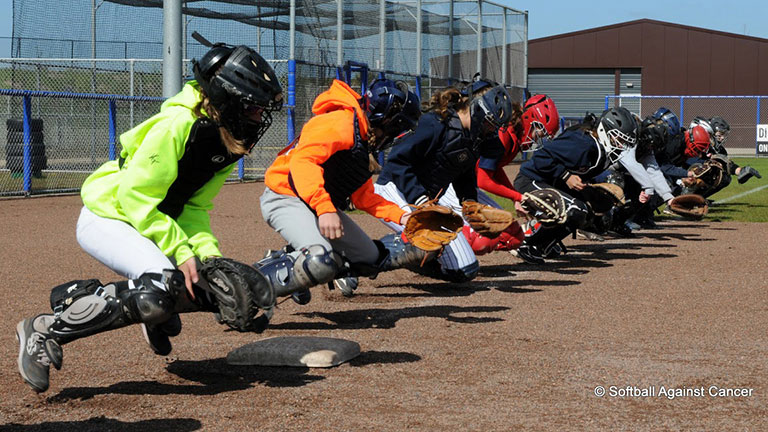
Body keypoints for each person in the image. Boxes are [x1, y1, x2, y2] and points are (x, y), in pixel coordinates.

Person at [15, 43, 284, 393]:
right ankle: (46, 327)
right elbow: (134, 197)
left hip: (150, 223)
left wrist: (208, 256)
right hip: (110, 216)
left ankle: (148, 305)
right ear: (224, 97)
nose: (257, 117)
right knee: (160, 288)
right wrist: (182, 253)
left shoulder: (226, 139)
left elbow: (194, 209)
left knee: (209, 288)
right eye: (251, 107)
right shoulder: (177, 125)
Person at [258, 77, 423, 301]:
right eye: (398, 126)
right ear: (386, 120)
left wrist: (404, 217)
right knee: (321, 261)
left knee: (369, 258)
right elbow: (303, 163)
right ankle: (253, 282)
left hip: (314, 204)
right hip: (285, 195)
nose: (397, 134)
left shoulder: (363, 138)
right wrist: (325, 208)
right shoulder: (341, 122)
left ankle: (292, 257)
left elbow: (363, 196)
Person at [374, 78, 514, 282]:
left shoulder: (473, 136)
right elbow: (397, 162)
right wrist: (421, 201)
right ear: (476, 110)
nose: (491, 130)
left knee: (465, 270)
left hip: (422, 198)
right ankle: (355, 261)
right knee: (426, 238)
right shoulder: (435, 123)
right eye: (490, 123)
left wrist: (468, 201)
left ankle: (415, 256)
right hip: (394, 190)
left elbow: (464, 172)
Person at [512, 106, 638, 264]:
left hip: (549, 182)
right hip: (530, 181)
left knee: (594, 210)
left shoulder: (600, 151)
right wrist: (565, 175)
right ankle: (524, 241)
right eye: (618, 139)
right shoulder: (583, 143)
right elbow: (540, 158)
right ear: (604, 131)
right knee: (575, 210)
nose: (620, 145)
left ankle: (544, 243)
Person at [441, 93, 560, 255]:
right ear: (528, 119)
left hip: (465, 185)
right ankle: (444, 255)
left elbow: (495, 170)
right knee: (480, 239)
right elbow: (484, 180)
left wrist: (514, 197)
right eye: (538, 133)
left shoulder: (513, 137)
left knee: (513, 235)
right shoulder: (504, 134)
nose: (536, 139)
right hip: (450, 184)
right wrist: (519, 197)